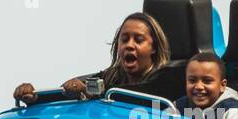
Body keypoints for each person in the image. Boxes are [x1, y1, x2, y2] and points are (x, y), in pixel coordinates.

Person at [13, 12, 172, 103]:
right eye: (124, 40)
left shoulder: (166, 78)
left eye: (138, 40)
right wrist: (35, 97)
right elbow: (65, 93)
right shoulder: (110, 77)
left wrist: (90, 93)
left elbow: (139, 95)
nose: (129, 45)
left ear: (154, 48)